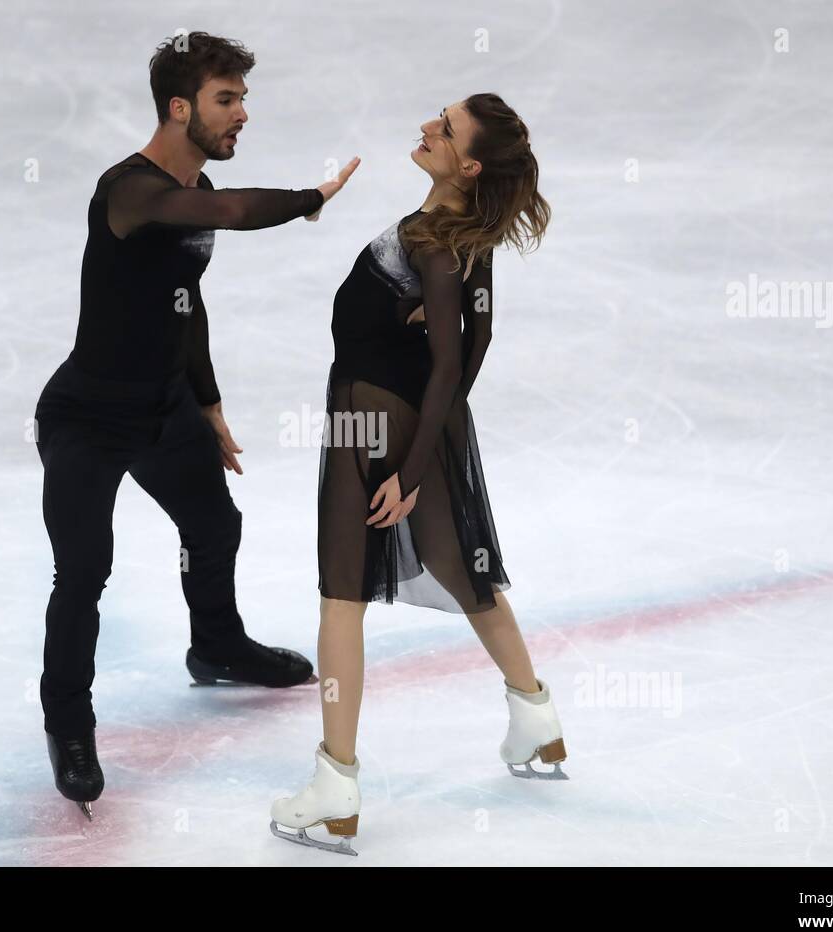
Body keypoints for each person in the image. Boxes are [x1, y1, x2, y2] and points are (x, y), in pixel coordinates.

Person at [33, 31, 359, 820]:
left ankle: (216, 645)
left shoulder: (195, 182)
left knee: (214, 526)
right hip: (86, 419)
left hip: (164, 406)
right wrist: (312, 199)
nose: (242, 113)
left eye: (242, 98)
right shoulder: (131, 192)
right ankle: (69, 728)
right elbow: (234, 212)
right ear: (180, 108)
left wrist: (205, 400)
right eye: (227, 99)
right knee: (82, 576)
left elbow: (187, 296)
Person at [269, 94, 561, 855]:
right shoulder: (468, 239)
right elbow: (477, 341)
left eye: (445, 128)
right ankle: (537, 720)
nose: (428, 128)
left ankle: (335, 787)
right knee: (465, 572)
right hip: (414, 422)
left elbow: (447, 358)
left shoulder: (434, 242)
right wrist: (432, 448)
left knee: (341, 594)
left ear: (466, 164)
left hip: (369, 418)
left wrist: (405, 466)